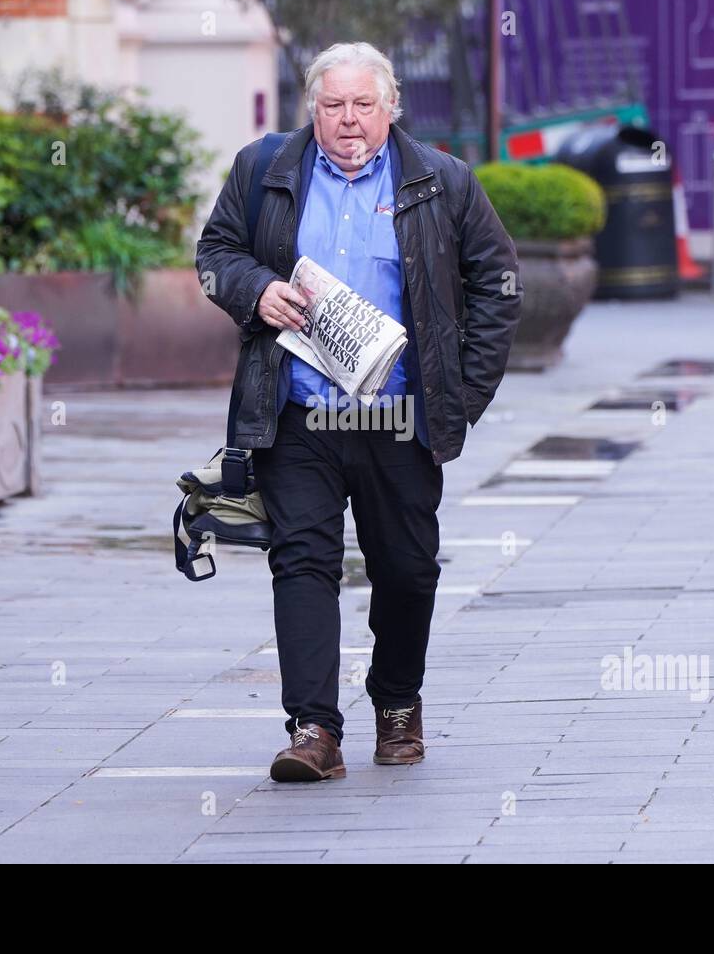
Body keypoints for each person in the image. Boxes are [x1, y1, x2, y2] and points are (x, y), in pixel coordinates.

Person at [195, 41, 521, 781]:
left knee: (407, 571)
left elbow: (499, 285)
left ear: (391, 108)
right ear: (312, 108)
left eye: (363, 106)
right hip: (297, 414)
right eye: (334, 105)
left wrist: (460, 399)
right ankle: (314, 729)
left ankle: (397, 701)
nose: (348, 121)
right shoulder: (264, 170)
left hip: (397, 418)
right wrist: (252, 290)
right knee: (302, 562)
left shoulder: (442, 182)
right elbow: (215, 252)